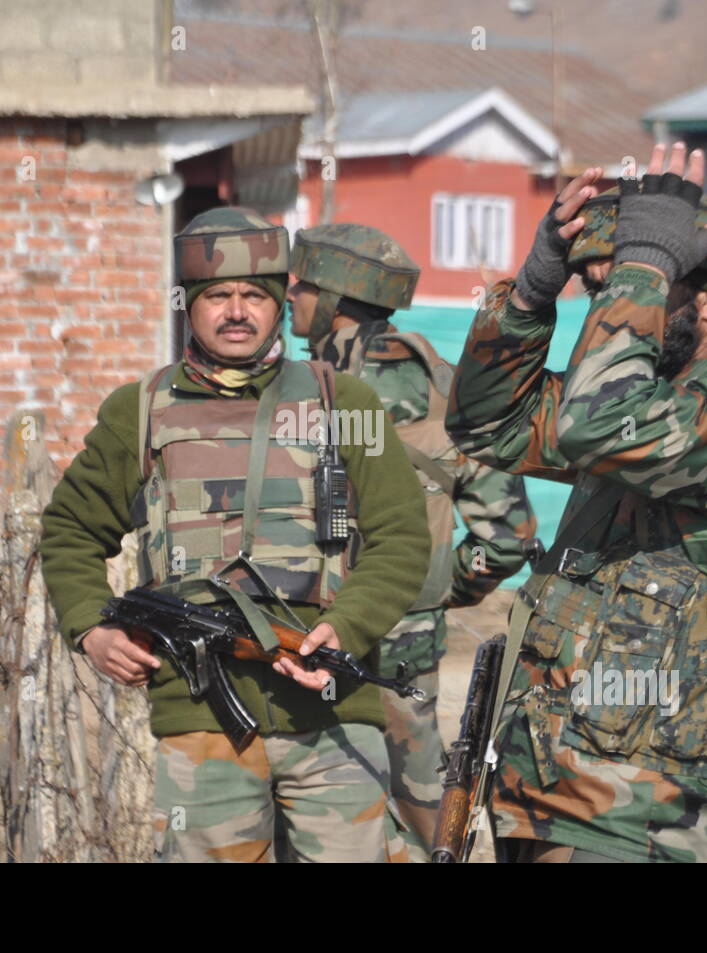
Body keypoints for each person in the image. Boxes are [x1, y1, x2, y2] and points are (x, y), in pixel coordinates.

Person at [445, 143, 707, 863]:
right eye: (603, 288)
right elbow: (486, 426)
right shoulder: (640, 410)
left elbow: (590, 421)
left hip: (641, 824)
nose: (619, 303)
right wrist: (532, 290)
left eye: (645, 284)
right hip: (542, 796)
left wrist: (644, 253)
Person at [40, 206, 431, 863]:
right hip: (201, 716)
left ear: (280, 303)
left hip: (333, 712)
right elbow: (71, 528)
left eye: (255, 294)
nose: (236, 310)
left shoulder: (347, 404)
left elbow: (401, 534)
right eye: (217, 294)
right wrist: (91, 628)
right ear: (189, 304)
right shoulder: (141, 411)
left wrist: (352, 625)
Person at [287, 224, 537, 861]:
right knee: (416, 781)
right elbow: (507, 537)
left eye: (303, 284)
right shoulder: (442, 381)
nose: (290, 294)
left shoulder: (294, 386)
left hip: (297, 620)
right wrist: (434, 587)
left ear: (338, 296)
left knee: (310, 780)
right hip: (406, 625)